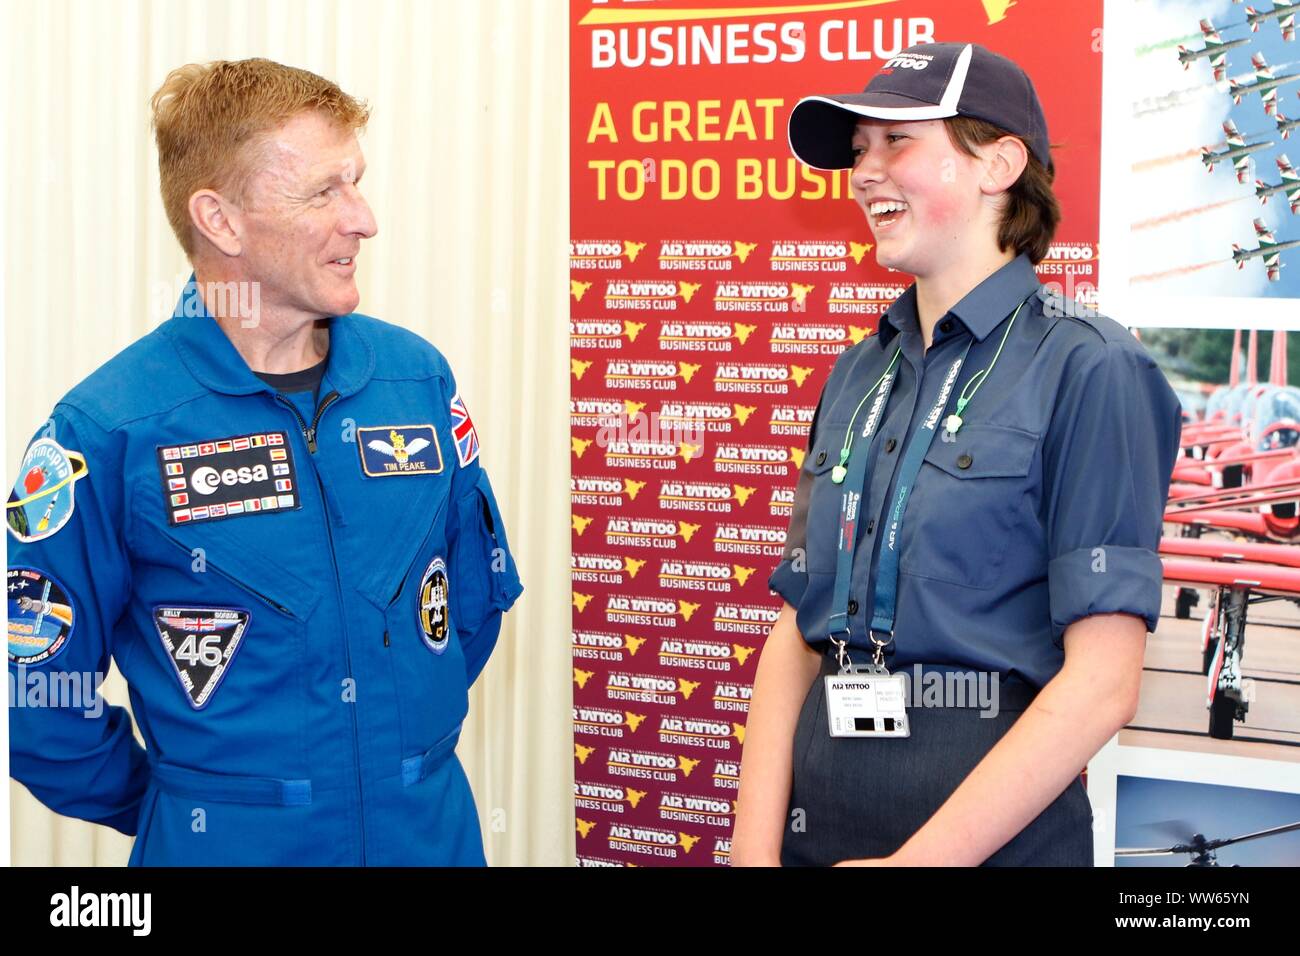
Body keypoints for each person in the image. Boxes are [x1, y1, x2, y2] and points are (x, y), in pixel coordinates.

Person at [6, 58, 523, 865]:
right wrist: (194, 804)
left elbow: (467, 611)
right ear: (220, 220)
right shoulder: (108, 430)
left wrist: (397, 759)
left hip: (430, 837)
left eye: (356, 182)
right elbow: (37, 698)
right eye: (323, 192)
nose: (364, 220)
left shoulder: (416, 382)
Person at [732, 42, 1182, 866]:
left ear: (999, 165)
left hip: (996, 844)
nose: (865, 172)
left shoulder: (1092, 367)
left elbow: (1104, 682)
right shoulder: (859, 372)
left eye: (896, 142)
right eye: (859, 150)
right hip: (818, 827)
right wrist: (753, 854)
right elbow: (796, 629)